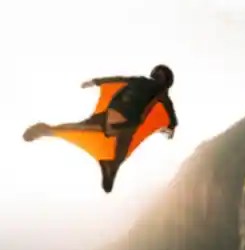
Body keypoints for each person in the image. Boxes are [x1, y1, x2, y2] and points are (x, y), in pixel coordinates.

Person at [23, 64, 178, 192]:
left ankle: (50, 130)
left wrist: (94, 82)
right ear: (166, 82)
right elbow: (170, 112)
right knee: (122, 151)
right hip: (125, 122)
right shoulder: (161, 91)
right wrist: (171, 127)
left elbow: (117, 79)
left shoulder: (138, 79)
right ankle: (110, 166)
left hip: (110, 112)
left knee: (82, 127)